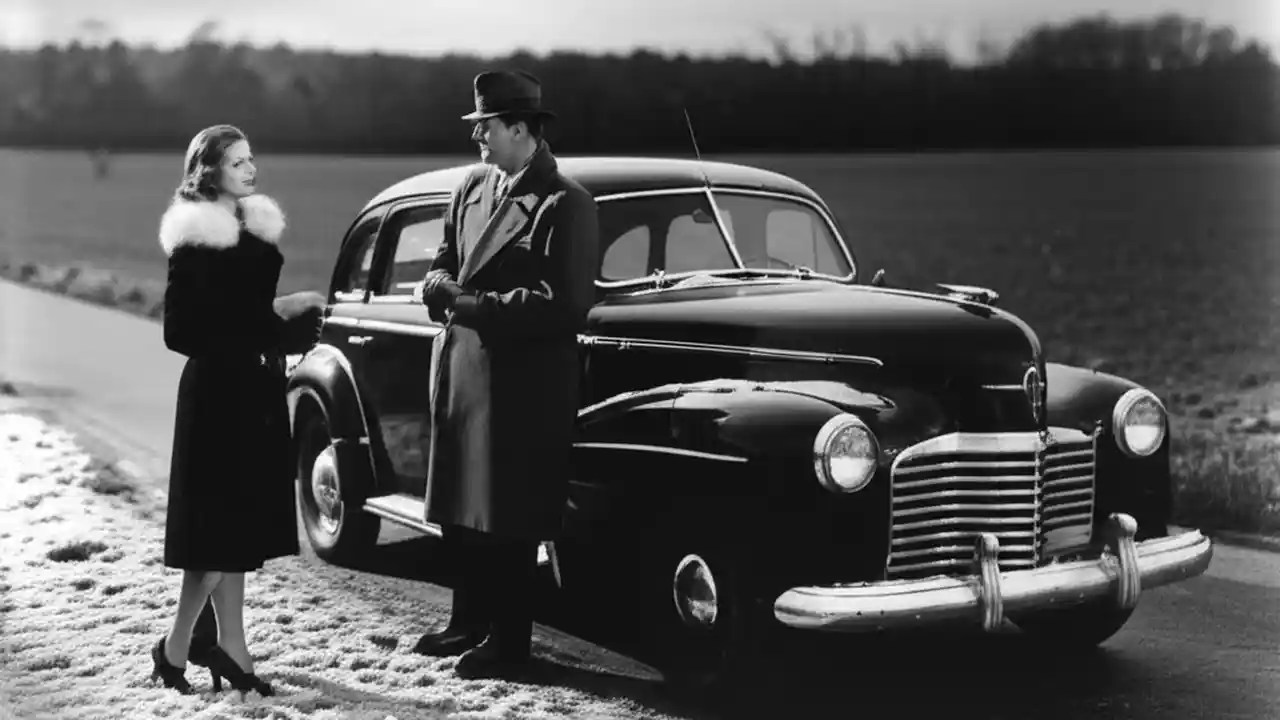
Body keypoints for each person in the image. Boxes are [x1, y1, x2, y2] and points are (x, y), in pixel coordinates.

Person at [411, 70, 600, 679]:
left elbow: (563, 306)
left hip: (522, 381)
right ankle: (466, 620)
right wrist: (437, 283)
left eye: (486, 128)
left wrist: (463, 302)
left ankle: (510, 640)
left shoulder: (564, 202)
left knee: (510, 515)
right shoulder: (471, 186)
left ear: (521, 129)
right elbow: (446, 256)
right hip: (464, 369)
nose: (478, 140)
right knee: (462, 507)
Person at [151, 124, 324, 695]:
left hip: (255, 392)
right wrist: (270, 327)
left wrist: (278, 320)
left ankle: (229, 649)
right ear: (209, 170)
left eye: (252, 158)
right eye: (238, 162)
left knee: (236, 538)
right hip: (216, 399)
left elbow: (249, 309)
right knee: (212, 542)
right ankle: (177, 650)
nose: (251, 169)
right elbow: (181, 331)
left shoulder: (254, 227)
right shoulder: (194, 240)